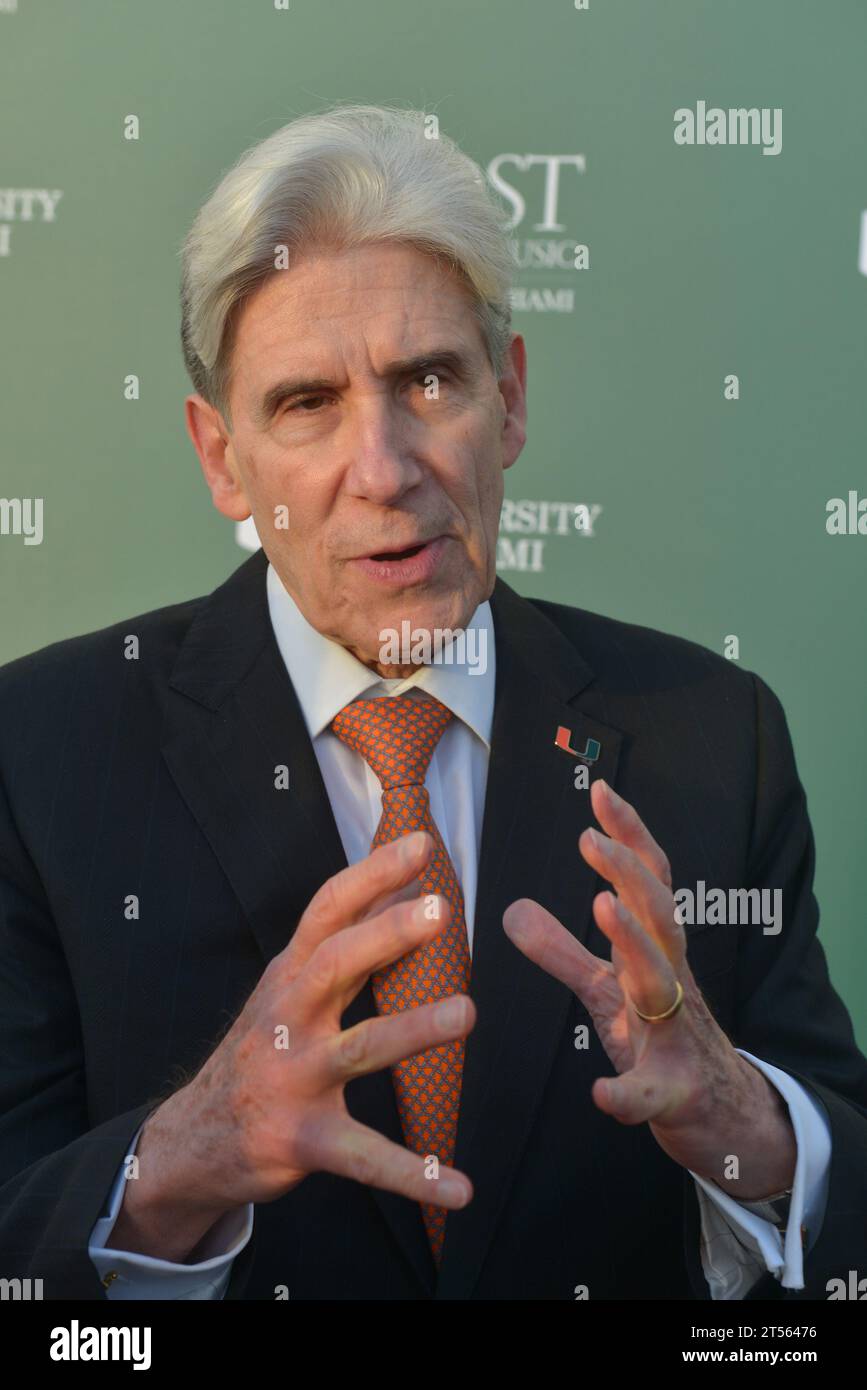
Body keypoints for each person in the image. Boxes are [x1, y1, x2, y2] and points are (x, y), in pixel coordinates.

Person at [1, 104, 865, 1302]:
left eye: (429, 379)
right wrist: (191, 1152)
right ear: (220, 456)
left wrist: (738, 1122)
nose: (387, 466)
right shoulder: (40, 753)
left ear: (507, 400)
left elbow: (845, 1221)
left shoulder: (715, 739)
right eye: (307, 402)